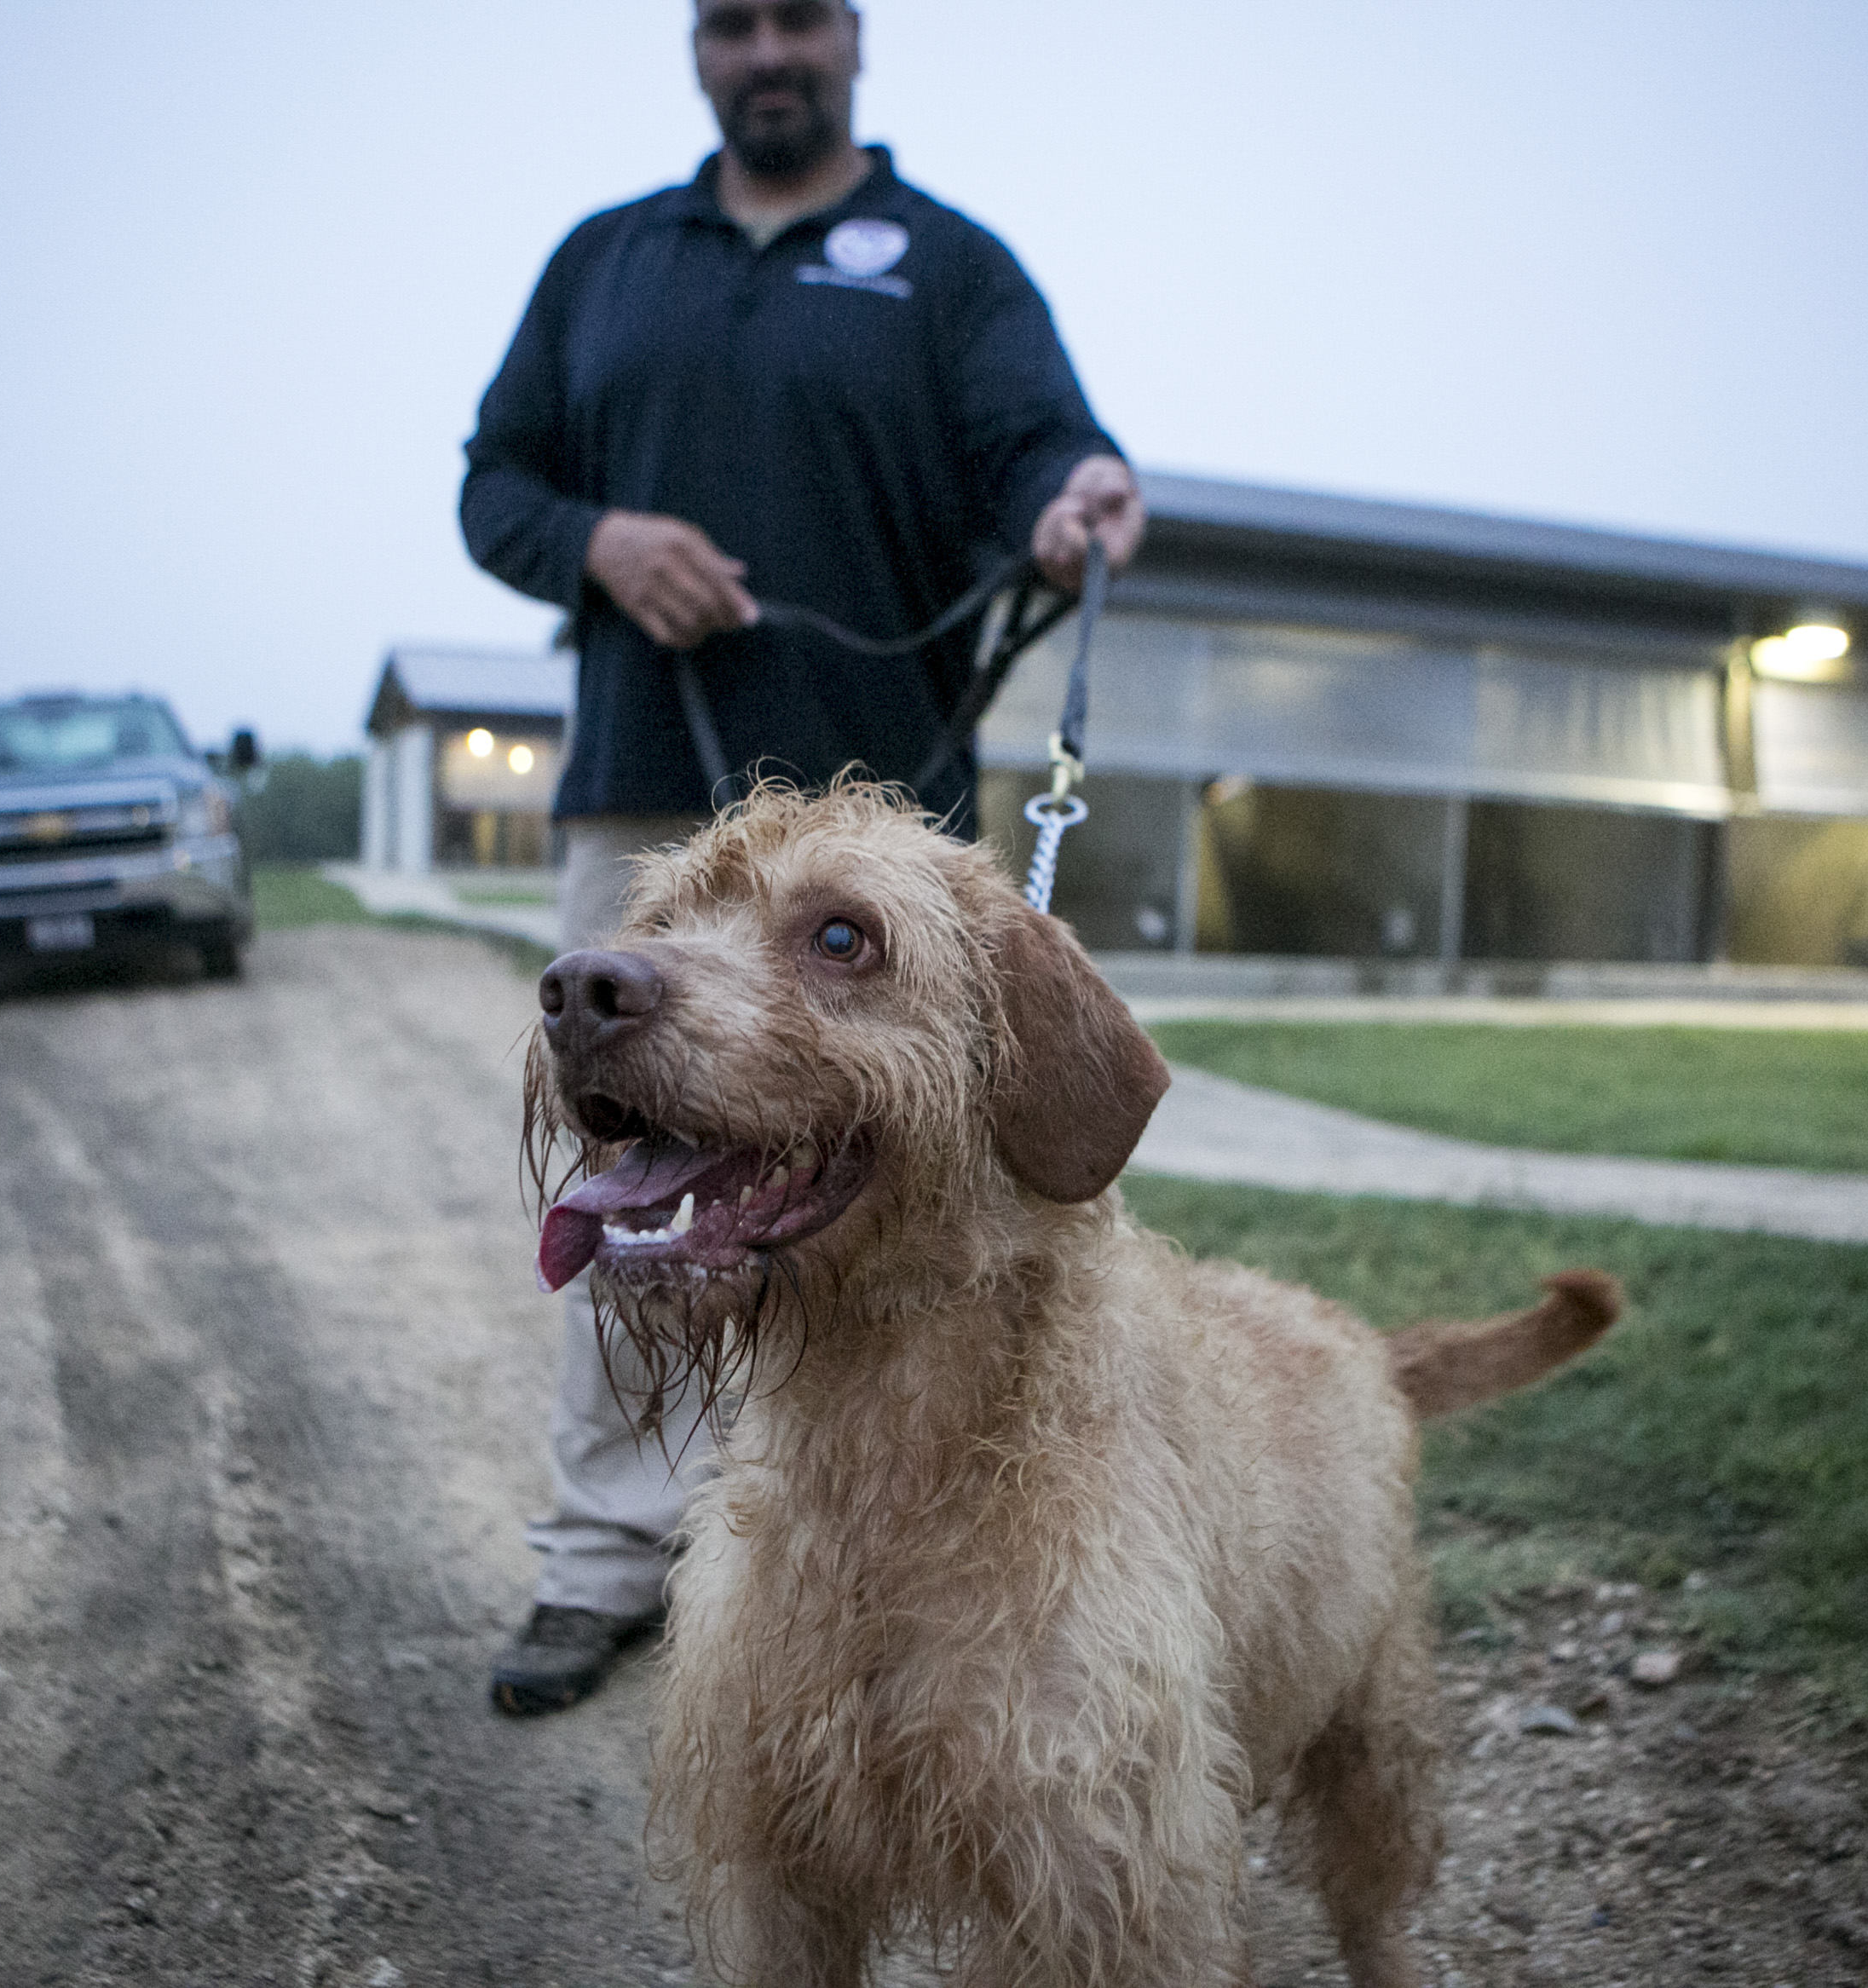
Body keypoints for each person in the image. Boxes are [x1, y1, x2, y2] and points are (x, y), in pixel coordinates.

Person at [459, 0, 1146, 1714]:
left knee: (907, 1206)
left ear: (852, 39)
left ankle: (918, 1563)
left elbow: (1036, 456)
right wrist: (598, 541)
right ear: (698, 50)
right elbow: (494, 485)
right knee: (633, 1189)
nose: (767, 51)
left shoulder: (945, 264)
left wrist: (1079, 494)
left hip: (879, 831)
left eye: (799, 19)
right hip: (645, 804)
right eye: (729, 23)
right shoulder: (607, 260)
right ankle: (609, 1558)